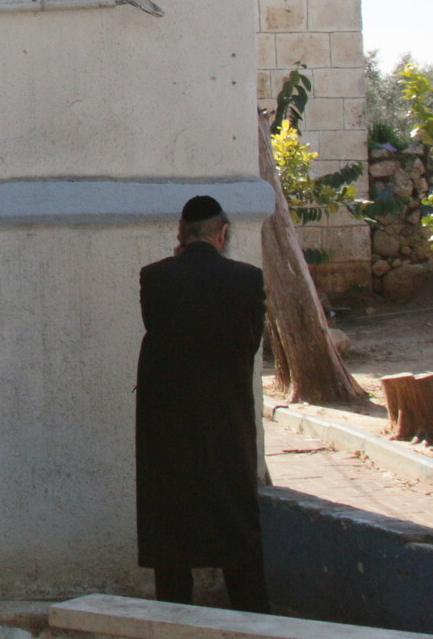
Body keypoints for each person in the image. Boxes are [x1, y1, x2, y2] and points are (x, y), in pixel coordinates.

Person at [136, 194, 269, 613]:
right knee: (234, 521)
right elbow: (250, 345)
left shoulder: (154, 277)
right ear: (223, 233)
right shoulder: (248, 279)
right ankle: (254, 618)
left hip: (167, 427)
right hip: (226, 422)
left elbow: (159, 332)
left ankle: (174, 620)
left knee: (170, 527)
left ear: (180, 233)